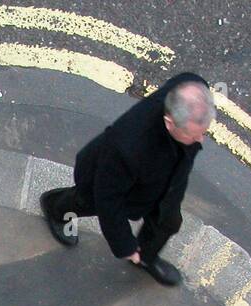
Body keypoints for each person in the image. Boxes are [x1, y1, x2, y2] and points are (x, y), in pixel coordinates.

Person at [40, 72, 215, 287]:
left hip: (163, 177)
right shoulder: (126, 146)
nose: (200, 140)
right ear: (169, 123)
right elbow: (108, 200)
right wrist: (125, 245)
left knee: (167, 220)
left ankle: (146, 257)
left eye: (203, 132)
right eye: (194, 135)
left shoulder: (193, 87)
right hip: (105, 177)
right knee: (85, 202)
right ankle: (56, 208)